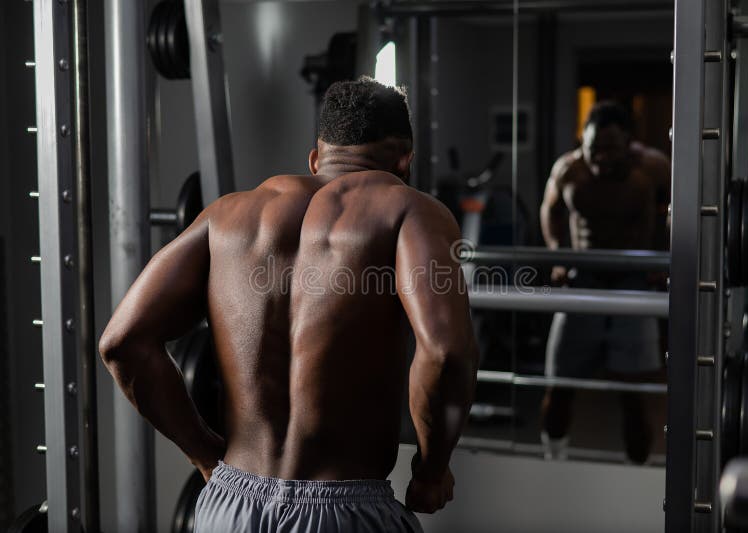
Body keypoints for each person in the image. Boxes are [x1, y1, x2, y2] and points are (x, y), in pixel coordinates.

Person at [99, 77, 479, 533]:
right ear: (405, 160)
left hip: (228, 505)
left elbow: (122, 341)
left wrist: (204, 453)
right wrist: (432, 471)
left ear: (316, 158)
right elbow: (444, 351)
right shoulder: (409, 210)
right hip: (344, 512)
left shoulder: (225, 215)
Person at [538, 101, 670, 464]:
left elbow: (681, 211)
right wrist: (558, 253)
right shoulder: (569, 169)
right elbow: (550, 209)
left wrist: (664, 255)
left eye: (610, 149)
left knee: (634, 394)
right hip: (583, 283)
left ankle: (636, 472)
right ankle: (554, 461)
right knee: (560, 386)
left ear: (629, 143)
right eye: (593, 147)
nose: (600, 157)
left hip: (634, 286)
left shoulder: (654, 169)